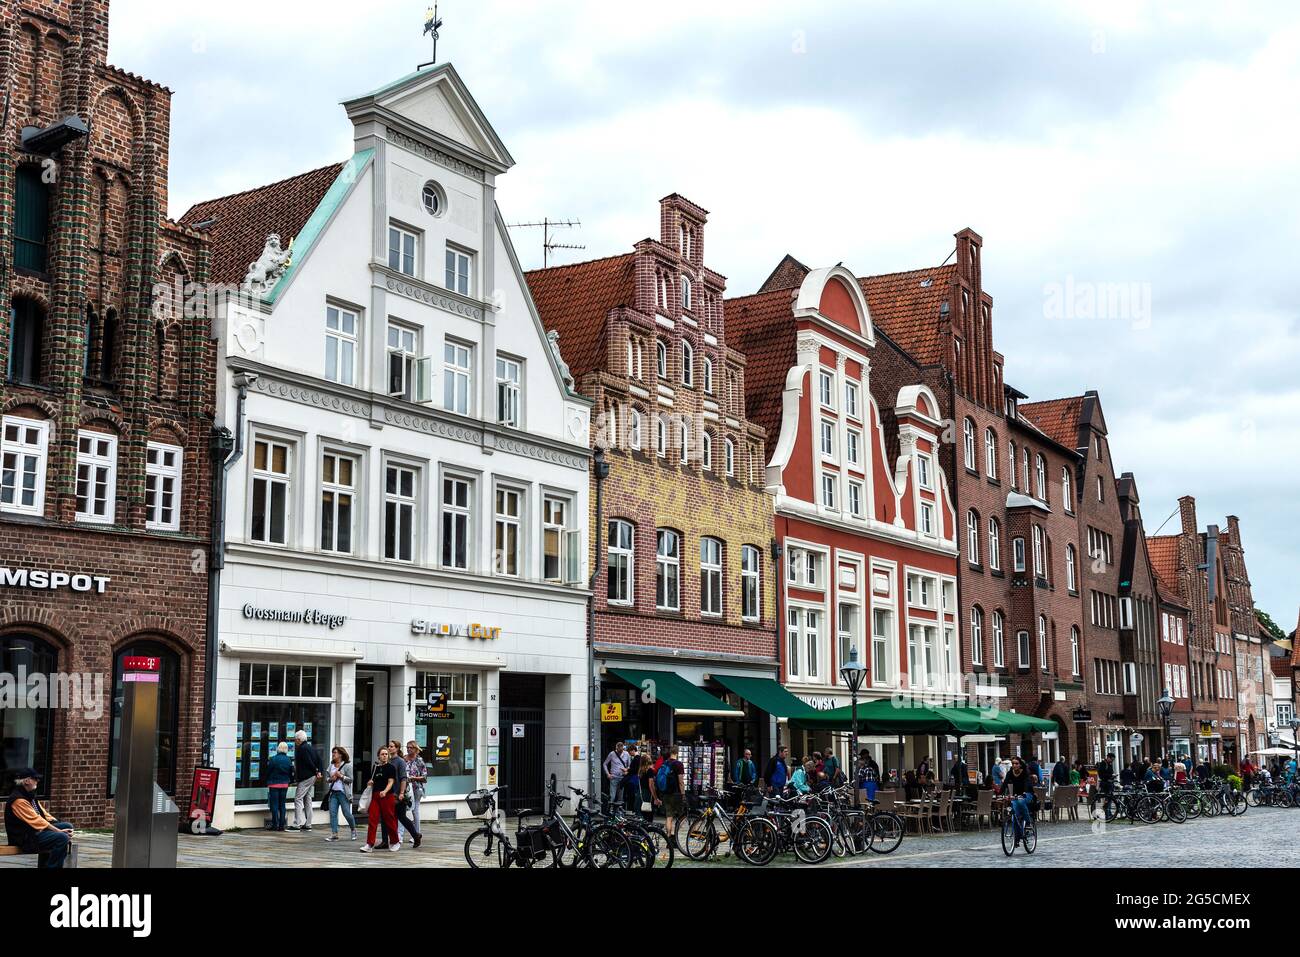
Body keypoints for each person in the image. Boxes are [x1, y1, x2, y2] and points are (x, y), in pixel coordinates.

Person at [4, 768, 74, 868]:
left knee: (67, 826)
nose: (38, 781)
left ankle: (47, 863)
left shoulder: (29, 796)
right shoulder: (18, 800)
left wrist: (57, 824)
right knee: (61, 837)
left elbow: (44, 815)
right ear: (26, 781)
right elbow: (36, 820)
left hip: (35, 831)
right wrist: (59, 831)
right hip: (25, 837)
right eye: (35, 779)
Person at [361, 746, 399, 853]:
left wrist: (385, 791)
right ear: (378, 756)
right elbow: (372, 781)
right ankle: (369, 844)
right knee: (372, 819)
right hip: (376, 795)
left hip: (387, 796)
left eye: (386, 754)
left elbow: (391, 782)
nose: (384, 756)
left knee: (389, 819)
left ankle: (395, 841)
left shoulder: (391, 767)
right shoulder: (375, 767)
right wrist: (369, 783)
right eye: (382, 754)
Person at [387, 738, 419, 849]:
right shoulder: (389, 761)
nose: (389, 748)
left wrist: (401, 793)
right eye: (389, 746)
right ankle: (390, 840)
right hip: (389, 794)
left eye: (392, 746)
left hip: (398, 793)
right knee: (391, 817)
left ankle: (416, 835)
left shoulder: (400, 761)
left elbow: (403, 778)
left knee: (401, 817)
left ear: (397, 749)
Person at [292, 729, 323, 831]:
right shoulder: (310, 747)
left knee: (298, 798)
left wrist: (315, 770)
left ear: (299, 739)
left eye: (296, 740)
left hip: (306, 777)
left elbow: (308, 761)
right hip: (312, 776)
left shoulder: (302, 748)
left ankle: (297, 824)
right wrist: (319, 772)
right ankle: (308, 823)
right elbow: (319, 760)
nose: (295, 742)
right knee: (307, 798)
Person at [1002, 756, 1037, 847]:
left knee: (1021, 802)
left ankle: (1028, 823)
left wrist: (1025, 792)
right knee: (1015, 816)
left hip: (1027, 794)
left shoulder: (1025, 772)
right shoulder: (1010, 772)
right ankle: (1017, 839)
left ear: (1020, 764)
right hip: (1016, 795)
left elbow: (1026, 783)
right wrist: (1000, 793)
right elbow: (1005, 782)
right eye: (1013, 763)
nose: (1014, 765)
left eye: (1016, 763)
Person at [325, 746, 357, 842]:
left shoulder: (347, 766)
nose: (333, 754)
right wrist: (331, 779)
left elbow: (351, 779)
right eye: (333, 752)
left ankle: (353, 829)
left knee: (346, 813)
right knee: (333, 813)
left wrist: (341, 776)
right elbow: (326, 779)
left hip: (343, 793)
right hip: (333, 793)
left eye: (335, 752)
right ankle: (334, 834)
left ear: (340, 754)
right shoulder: (331, 766)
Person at [656, 747, 686, 836]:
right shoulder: (679, 764)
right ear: (677, 753)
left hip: (666, 793)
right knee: (682, 816)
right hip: (676, 794)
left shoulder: (665, 763)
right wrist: (683, 794)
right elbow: (680, 781)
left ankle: (669, 836)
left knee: (669, 817)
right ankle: (675, 835)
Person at [264, 742, 294, 831]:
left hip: (274, 784)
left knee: (274, 805)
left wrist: (267, 779)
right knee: (282, 805)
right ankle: (281, 825)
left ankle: (275, 824)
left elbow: (268, 771)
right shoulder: (288, 760)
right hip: (284, 784)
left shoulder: (273, 759)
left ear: (278, 748)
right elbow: (291, 772)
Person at [404, 741, 427, 841]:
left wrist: (414, 778)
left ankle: (416, 834)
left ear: (415, 749)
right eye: (407, 747)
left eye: (411, 748)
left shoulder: (419, 761)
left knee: (415, 811)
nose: (409, 749)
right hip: (405, 788)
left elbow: (425, 777)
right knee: (402, 811)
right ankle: (400, 835)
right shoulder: (404, 759)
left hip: (416, 788)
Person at [603, 741, 630, 809]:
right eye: (618, 751)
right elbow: (605, 764)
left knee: (620, 796)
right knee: (612, 796)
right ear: (616, 748)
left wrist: (626, 770)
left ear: (623, 748)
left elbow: (629, 766)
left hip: (622, 778)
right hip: (614, 777)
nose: (620, 752)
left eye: (621, 750)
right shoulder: (612, 754)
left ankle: (619, 812)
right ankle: (610, 810)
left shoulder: (626, 754)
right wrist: (608, 774)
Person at [624, 746, 643, 812]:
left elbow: (635, 769)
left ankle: (632, 809)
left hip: (633, 779)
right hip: (635, 779)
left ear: (633, 750)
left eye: (630, 752)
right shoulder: (639, 758)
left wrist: (627, 771)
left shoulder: (636, 758)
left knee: (631, 795)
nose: (629, 754)